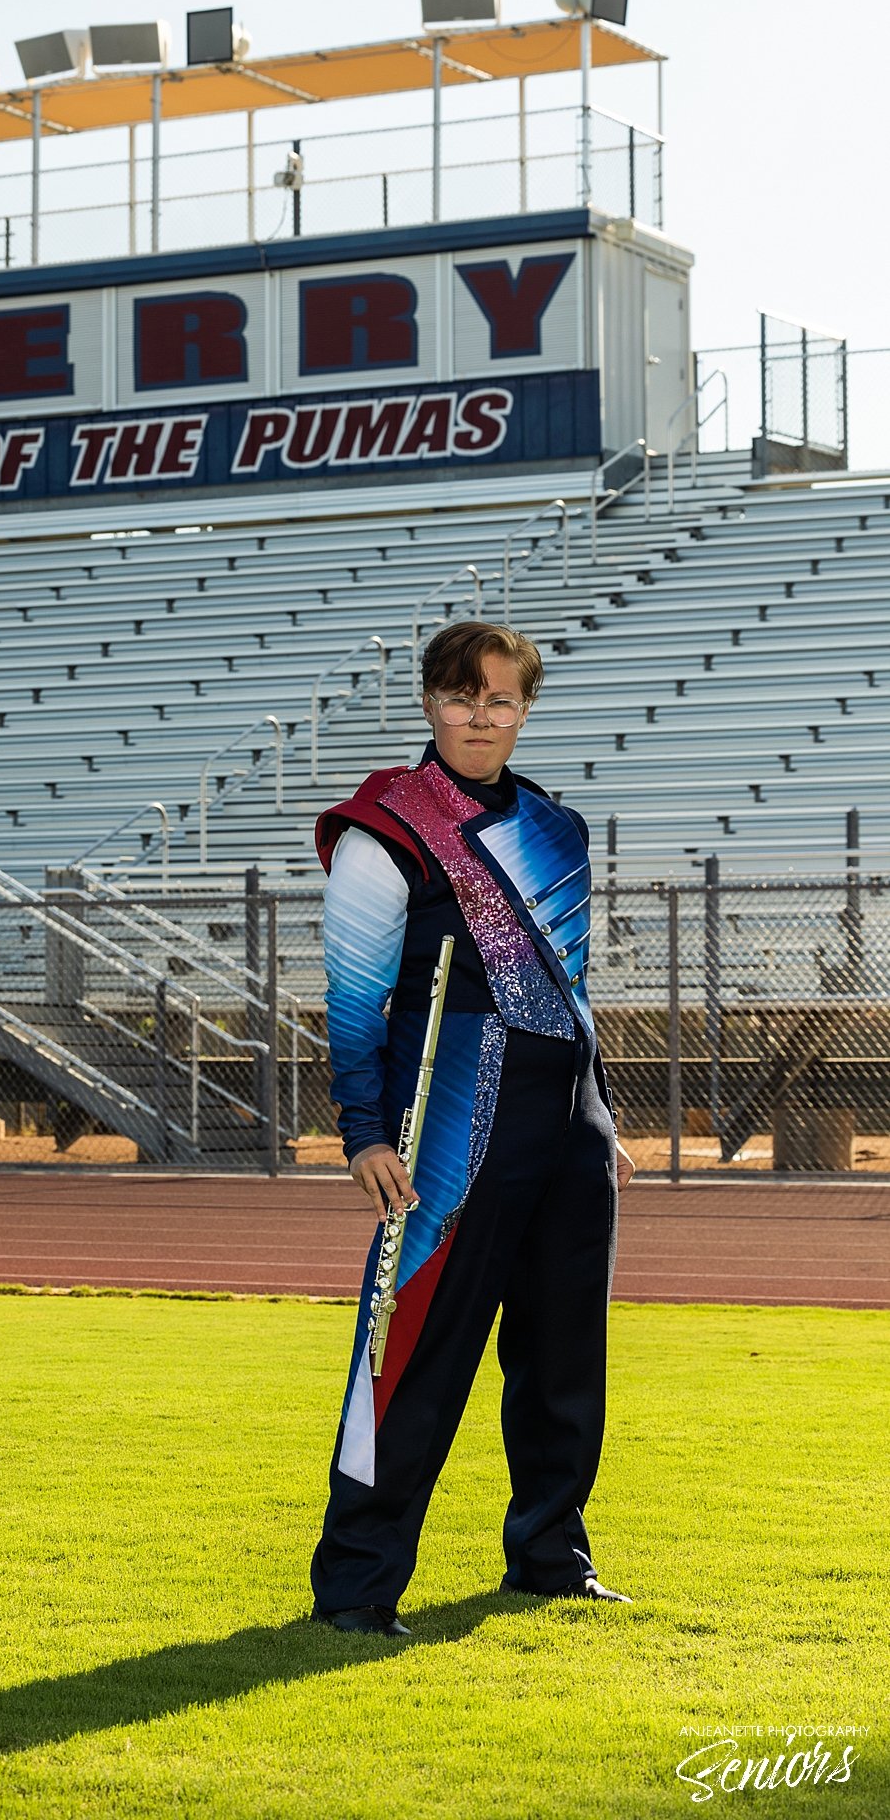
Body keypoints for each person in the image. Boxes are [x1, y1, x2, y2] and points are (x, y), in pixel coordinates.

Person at [309, 619, 636, 1639]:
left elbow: (569, 986)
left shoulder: (555, 825)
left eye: (499, 699)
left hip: (567, 1122)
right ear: (427, 703)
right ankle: (356, 1584)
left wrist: (603, 1115)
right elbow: (353, 999)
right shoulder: (384, 829)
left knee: (563, 1355)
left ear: (525, 708)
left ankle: (549, 1555)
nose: (478, 716)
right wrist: (364, 1130)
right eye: (460, 697)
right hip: (448, 1118)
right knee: (407, 1354)